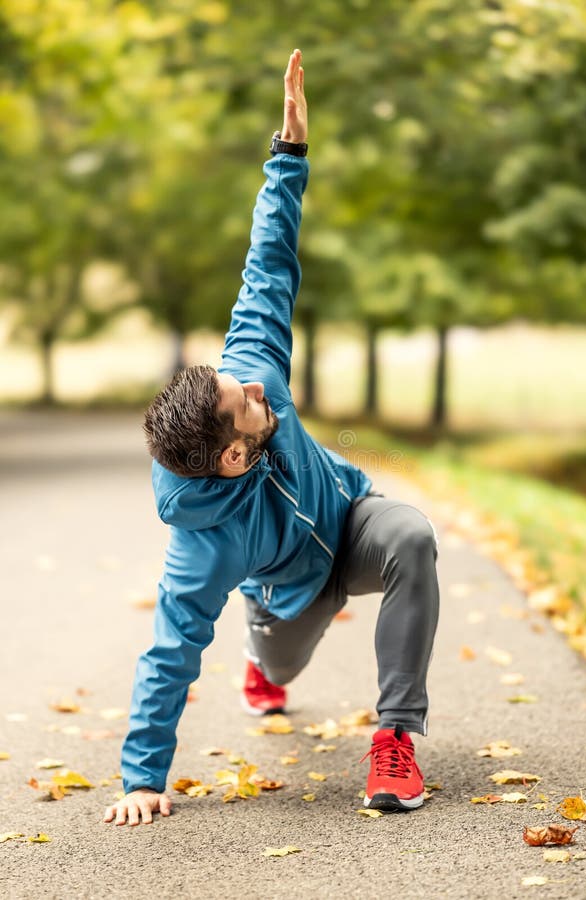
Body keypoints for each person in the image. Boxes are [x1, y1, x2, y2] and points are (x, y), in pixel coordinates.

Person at [104, 49, 439, 828]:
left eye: (239, 379)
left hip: (350, 521)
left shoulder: (250, 368)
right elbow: (169, 653)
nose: (253, 387)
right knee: (281, 657)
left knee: (412, 537)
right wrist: (141, 777)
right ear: (230, 456)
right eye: (241, 400)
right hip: (286, 593)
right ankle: (265, 666)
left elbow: (267, 266)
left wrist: (288, 153)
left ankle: (394, 737)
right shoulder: (203, 546)